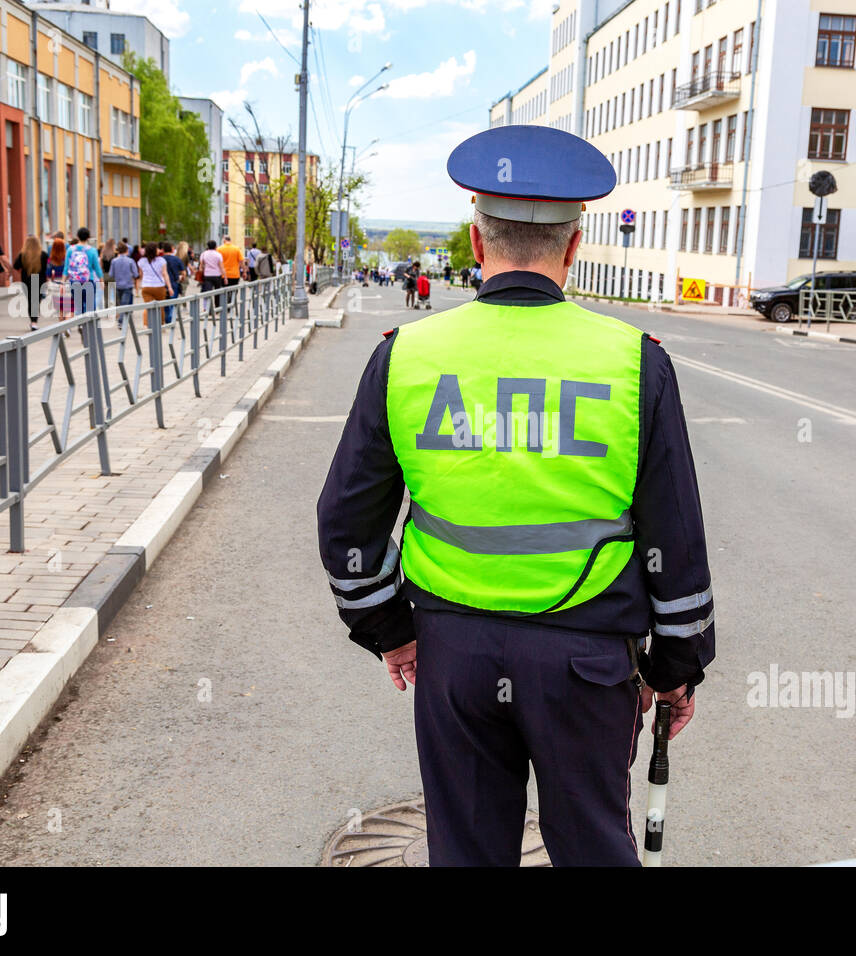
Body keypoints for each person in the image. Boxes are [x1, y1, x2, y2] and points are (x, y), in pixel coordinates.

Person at [317, 124, 715, 867]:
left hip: (454, 656)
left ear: (475, 242)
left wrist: (389, 628)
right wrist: (677, 666)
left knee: (466, 852)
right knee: (595, 848)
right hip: (588, 666)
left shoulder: (406, 357)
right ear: (574, 247)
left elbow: (346, 519)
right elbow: (675, 537)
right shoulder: (635, 363)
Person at [65, 227, 103, 316]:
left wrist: (63, 281)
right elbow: (96, 267)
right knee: (90, 306)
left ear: (77, 236)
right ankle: (89, 326)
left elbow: (66, 267)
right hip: (88, 280)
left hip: (74, 280)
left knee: (78, 305)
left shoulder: (71, 249)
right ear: (88, 237)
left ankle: (80, 324)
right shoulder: (92, 250)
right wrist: (101, 280)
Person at [13, 235, 48, 331]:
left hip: (26, 280)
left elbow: (16, 266)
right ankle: (34, 322)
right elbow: (46, 269)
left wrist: (23, 271)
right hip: (39, 280)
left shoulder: (22, 255)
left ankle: (33, 321)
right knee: (36, 301)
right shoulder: (43, 254)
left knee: (30, 301)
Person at [137, 241, 173, 325]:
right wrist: (170, 287)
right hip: (159, 286)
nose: (158, 250)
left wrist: (138, 286)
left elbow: (140, 275)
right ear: (154, 250)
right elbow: (165, 274)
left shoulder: (141, 261)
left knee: (148, 307)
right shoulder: (161, 260)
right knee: (160, 307)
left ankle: (146, 325)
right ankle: (161, 324)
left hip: (146, 286)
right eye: (157, 248)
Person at [108, 242, 139, 327]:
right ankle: (121, 321)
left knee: (121, 303)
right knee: (124, 303)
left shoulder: (114, 261)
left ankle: (123, 320)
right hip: (128, 285)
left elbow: (111, 274)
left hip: (118, 285)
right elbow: (136, 274)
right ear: (127, 251)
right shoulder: (130, 261)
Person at [160, 241, 186, 323]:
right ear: (171, 249)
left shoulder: (160, 259)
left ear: (163, 250)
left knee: (165, 303)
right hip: (174, 283)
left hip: (162, 284)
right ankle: (170, 319)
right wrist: (182, 278)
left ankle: (166, 319)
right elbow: (183, 272)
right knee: (173, 302)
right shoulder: (177, 259)